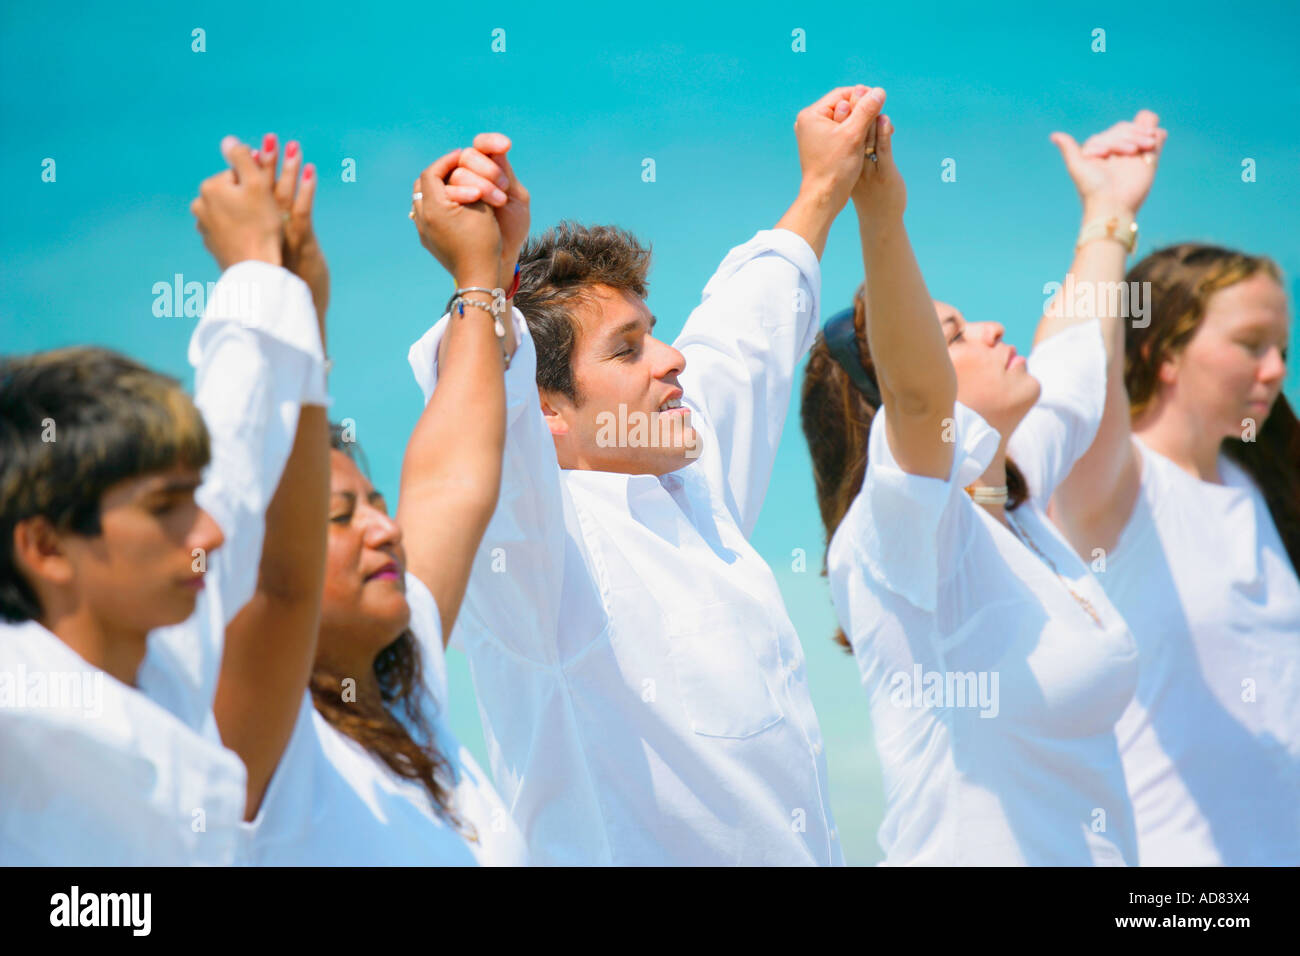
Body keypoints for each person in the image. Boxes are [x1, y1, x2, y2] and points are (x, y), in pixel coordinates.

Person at [406, 85, 884, 864]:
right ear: (546, 410)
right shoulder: (539, 554)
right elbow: (479, 412)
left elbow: (748, 330)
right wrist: (482, 274)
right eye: (627, 349)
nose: (673, 359)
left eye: (652, 334)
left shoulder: (692, 480)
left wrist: (823, 185)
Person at [801, 108, 1167, 864]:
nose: (995, 330)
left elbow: (1076, 353)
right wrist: (880, 209)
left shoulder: (1011, 491)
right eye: (956, 334)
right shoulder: (901, 532)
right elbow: (918, 401)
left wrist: (1108, 210)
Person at [0, 133, 330, 864]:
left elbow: (239, 459)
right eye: (163, 508)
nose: (208, 530)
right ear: (47, 547)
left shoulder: (163, 649)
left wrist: (267, 277)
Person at [230, 142, 526, 864]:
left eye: (375, 503)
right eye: (336, 515)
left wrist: (481, 267)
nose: (382, 528)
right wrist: (283, 300)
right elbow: (282, 574)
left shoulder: (404, 695)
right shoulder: (260, 739)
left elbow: (455, 475)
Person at [1048, 234, 1300, 864]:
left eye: (1282, 350)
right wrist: (1109, 220)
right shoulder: (1116, 483)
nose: (1276, 370)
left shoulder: (1266, 493)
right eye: (1250, 346)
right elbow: (1075, 369)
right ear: (1164, 351)